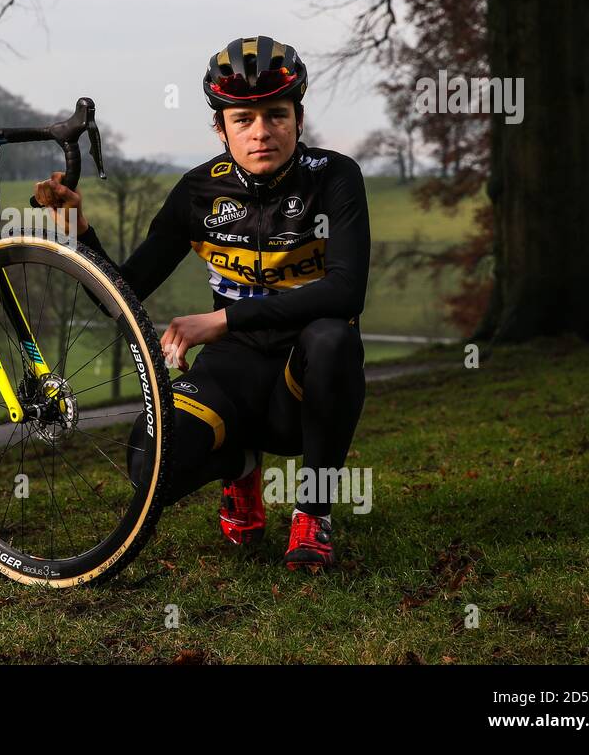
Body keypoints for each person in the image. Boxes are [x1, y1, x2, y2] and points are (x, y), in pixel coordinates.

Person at [34, 35, 370, 571]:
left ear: (299, 119)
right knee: (150, 467)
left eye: (277, 115)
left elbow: (345, 291)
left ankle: (312, 514)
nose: (262, 132)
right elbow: (120, 295)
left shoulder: (334, 177)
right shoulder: (197, 192)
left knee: (333, 336)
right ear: (220, 128)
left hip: (303, 380)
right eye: (243, 120)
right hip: (231, 374)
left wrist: (225, 318)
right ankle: (239, 466)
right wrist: (77, 230)